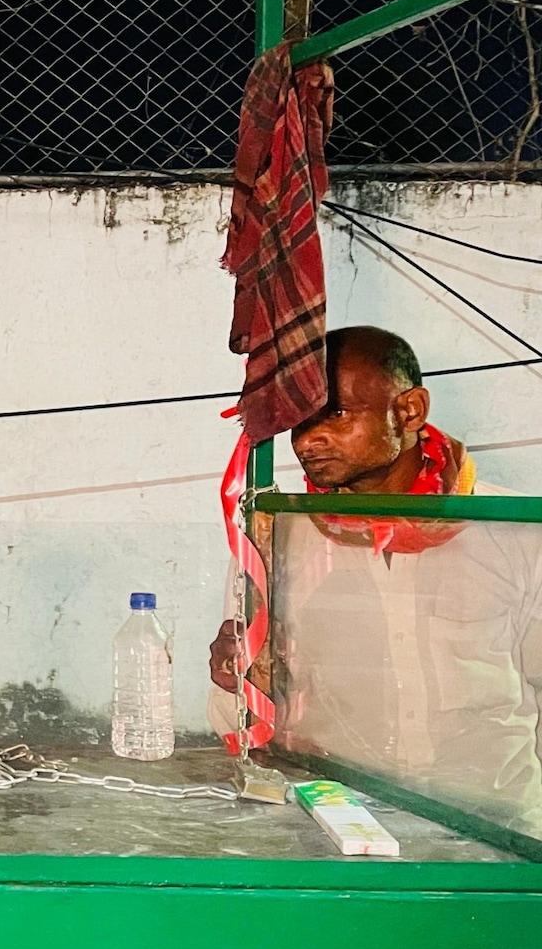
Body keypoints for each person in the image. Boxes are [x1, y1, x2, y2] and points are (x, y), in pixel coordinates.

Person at [208, 325, 542, 832]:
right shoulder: (275, 539)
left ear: (409, 411)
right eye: (299, 422)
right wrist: (233, 678)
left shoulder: (515, 531)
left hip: (498, 829)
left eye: (337, 414)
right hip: (338, 819)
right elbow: (240, 720)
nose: (307, 440)